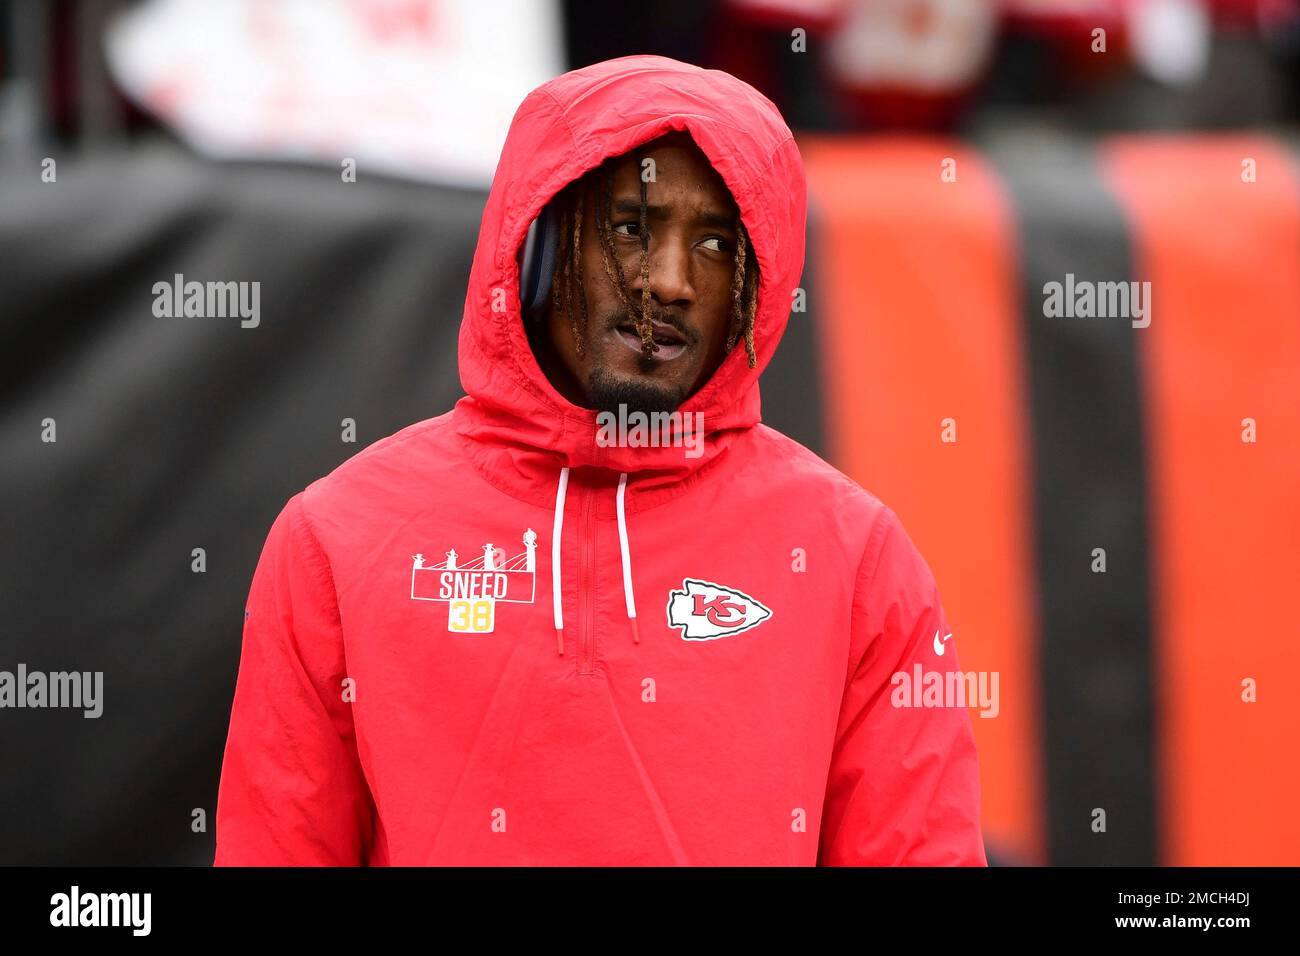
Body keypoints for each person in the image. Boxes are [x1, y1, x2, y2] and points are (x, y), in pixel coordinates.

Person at [213, 54, 987, 866]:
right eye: (630, 228)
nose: (669, 281)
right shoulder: (337, 538)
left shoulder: (855, 556)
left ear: (760, 282)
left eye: (717, 243)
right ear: (538, 245)